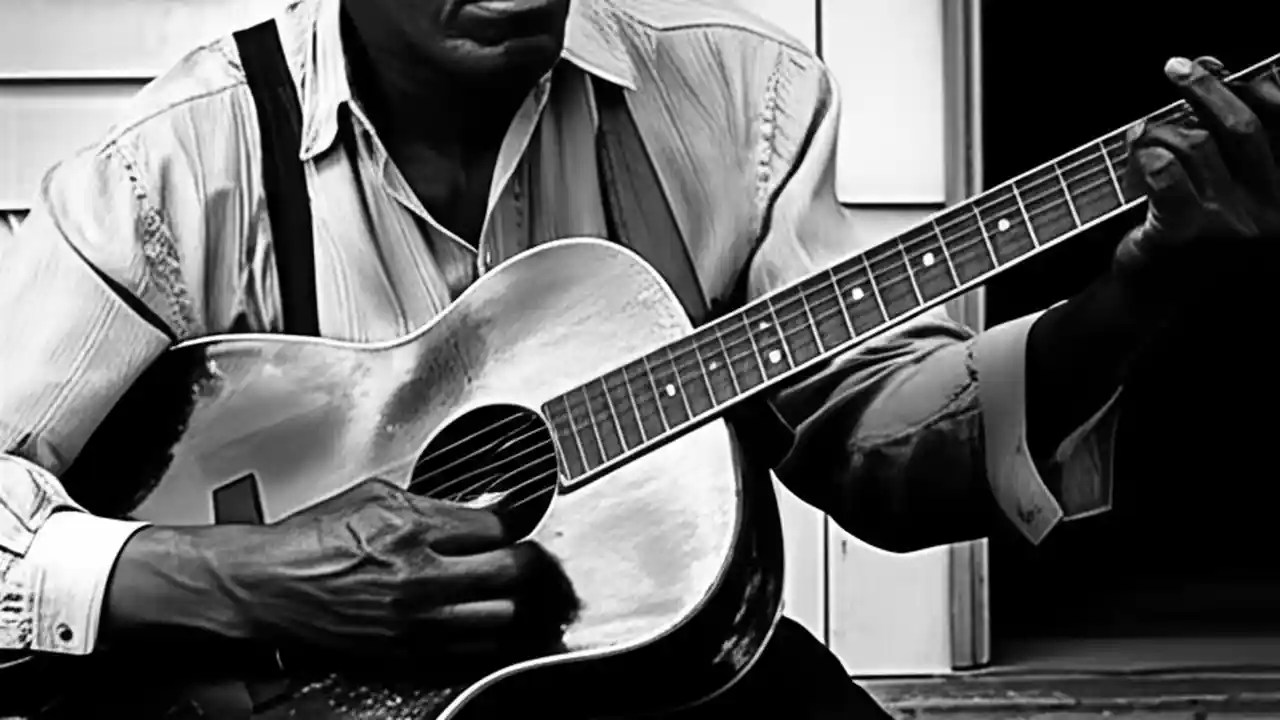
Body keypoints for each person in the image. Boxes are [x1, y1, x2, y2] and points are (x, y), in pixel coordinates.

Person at [1, 0, 1277, 717]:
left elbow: (883, 457)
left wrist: (1130, 295)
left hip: (654, 697)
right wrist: (233, 579)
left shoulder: (736, 107)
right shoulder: (168, 169)